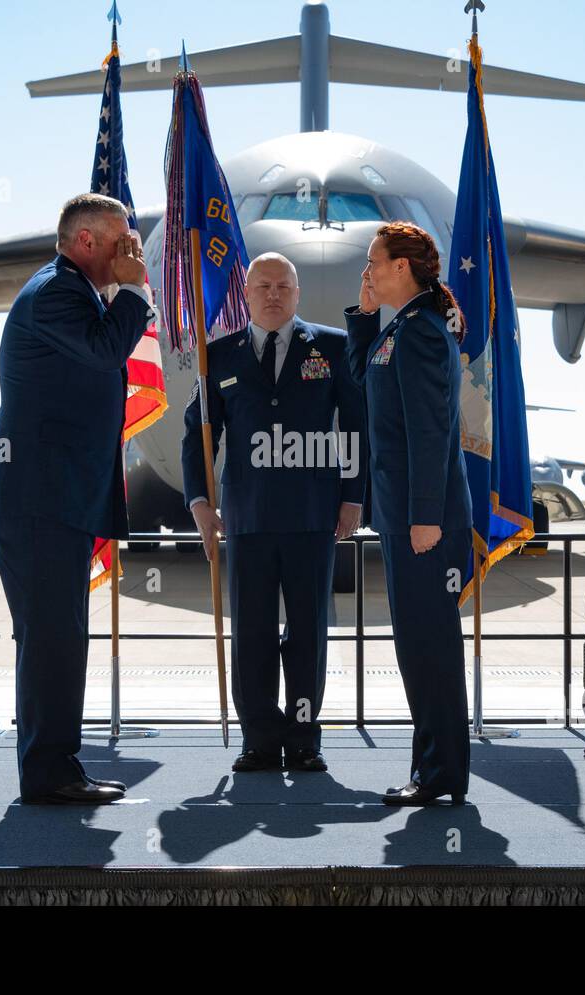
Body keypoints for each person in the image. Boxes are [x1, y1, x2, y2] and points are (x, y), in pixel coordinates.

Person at [0, 193, 151, 805]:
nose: (131, 253)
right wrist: (135, 292)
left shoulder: (70, 292)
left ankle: (54, 766)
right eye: (122, 243)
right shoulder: (56, 292)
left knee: (57, 636)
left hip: (53, 498)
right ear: (85, 243)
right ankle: (49, 773)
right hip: (41, 498)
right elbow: (108, 351)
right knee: (53, 637)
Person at [182, 252, 366, 773]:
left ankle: (304, 738)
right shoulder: (215, 356)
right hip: (247, 518)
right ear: (246, 292)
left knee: (308, 633)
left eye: (283, 285)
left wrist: (353, 495)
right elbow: (199, 433)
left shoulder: (332, 347)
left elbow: (355, 424)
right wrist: (199, 501)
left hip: (314, 515)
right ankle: (260, 739)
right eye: (262, 285)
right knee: (253, 633)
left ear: (297, 291)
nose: (273, 294)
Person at [343, 222, 472, 806]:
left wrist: (425, 516)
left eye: (373, 261)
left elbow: (429, 430)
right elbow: (362, 384)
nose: (366, 271)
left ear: (402, 266)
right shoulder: (404, 326)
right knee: (417, 646)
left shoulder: (420, 331)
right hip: (404, 514)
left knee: (428, 647)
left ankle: (440, 773)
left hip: (423, 519)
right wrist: (364, 318)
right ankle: (434, 770)